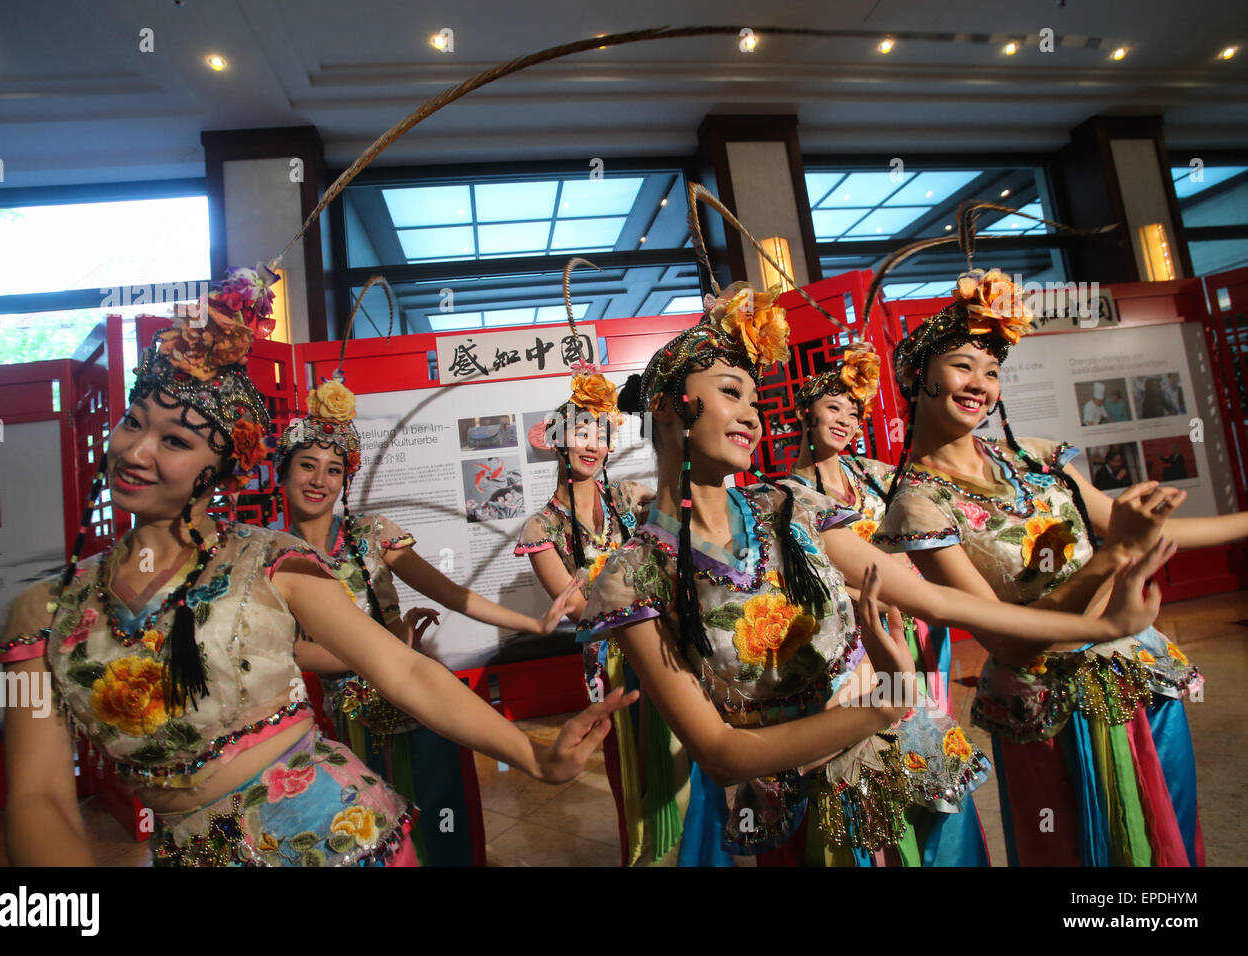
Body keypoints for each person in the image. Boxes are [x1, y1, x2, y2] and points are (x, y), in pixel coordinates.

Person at [0, 267, 633, 866]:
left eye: (174, 439)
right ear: (280, 473)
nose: (137, 449)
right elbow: (40, 796)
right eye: (132, 423)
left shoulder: (272, 562)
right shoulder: (41, 615)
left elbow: (405, 662)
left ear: (219, 469)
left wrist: (526, 748)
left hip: (334, 834)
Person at [578, 280, 1168, 867]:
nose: (752, 418)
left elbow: (937, 601)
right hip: (809, 811)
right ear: (666, 406)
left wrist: (1101, 615)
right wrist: (883, 704)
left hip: (912, 764)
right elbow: (721, 753)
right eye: (731, 393)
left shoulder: (789, 508)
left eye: (757, 402)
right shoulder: (634, 579)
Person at [874, 266, 1248, 865]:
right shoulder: (918, 504)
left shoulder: (1040, 456)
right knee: (1071, 849)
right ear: (919, 376)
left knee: (1169, 836)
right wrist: (1115, 560)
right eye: (964, 365)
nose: (981, 383)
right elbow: (1005, 638)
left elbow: (1133, 524)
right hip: (1045, 701)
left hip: (1137, 674)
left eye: (993, 371)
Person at [275, 373, 577, 866]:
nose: (319, 480)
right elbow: (290, 648)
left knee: (441, 825)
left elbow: (451, 594)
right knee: (366, 837)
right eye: (307, 466)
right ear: (282, 473)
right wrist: (389, 642)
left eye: (333, 470)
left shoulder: (372, 534)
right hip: (350, 725)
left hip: (419, 706)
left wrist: (536, 625)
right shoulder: (271, 557)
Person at [516, 363, 729, 866]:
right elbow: (575, 607)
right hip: (613, 662)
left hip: (669, 643)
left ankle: (702, 853)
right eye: (579, 432)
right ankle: (652, 857)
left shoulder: (628, 498)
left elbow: (685, 505)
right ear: (558, 441)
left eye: (599, 433)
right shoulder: (540, 527)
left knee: (690, 750)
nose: (590, 444)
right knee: (637, 770)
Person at [787, 343, 988, 865]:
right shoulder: (785, 493)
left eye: (855, 413)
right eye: (834, 407)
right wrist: (874, 594)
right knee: (875, 750)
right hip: (854, 641)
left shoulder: (879, 474)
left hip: (917, 628)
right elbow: (807, 580)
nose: (846, 420)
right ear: (805, 412)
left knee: (927, 740)